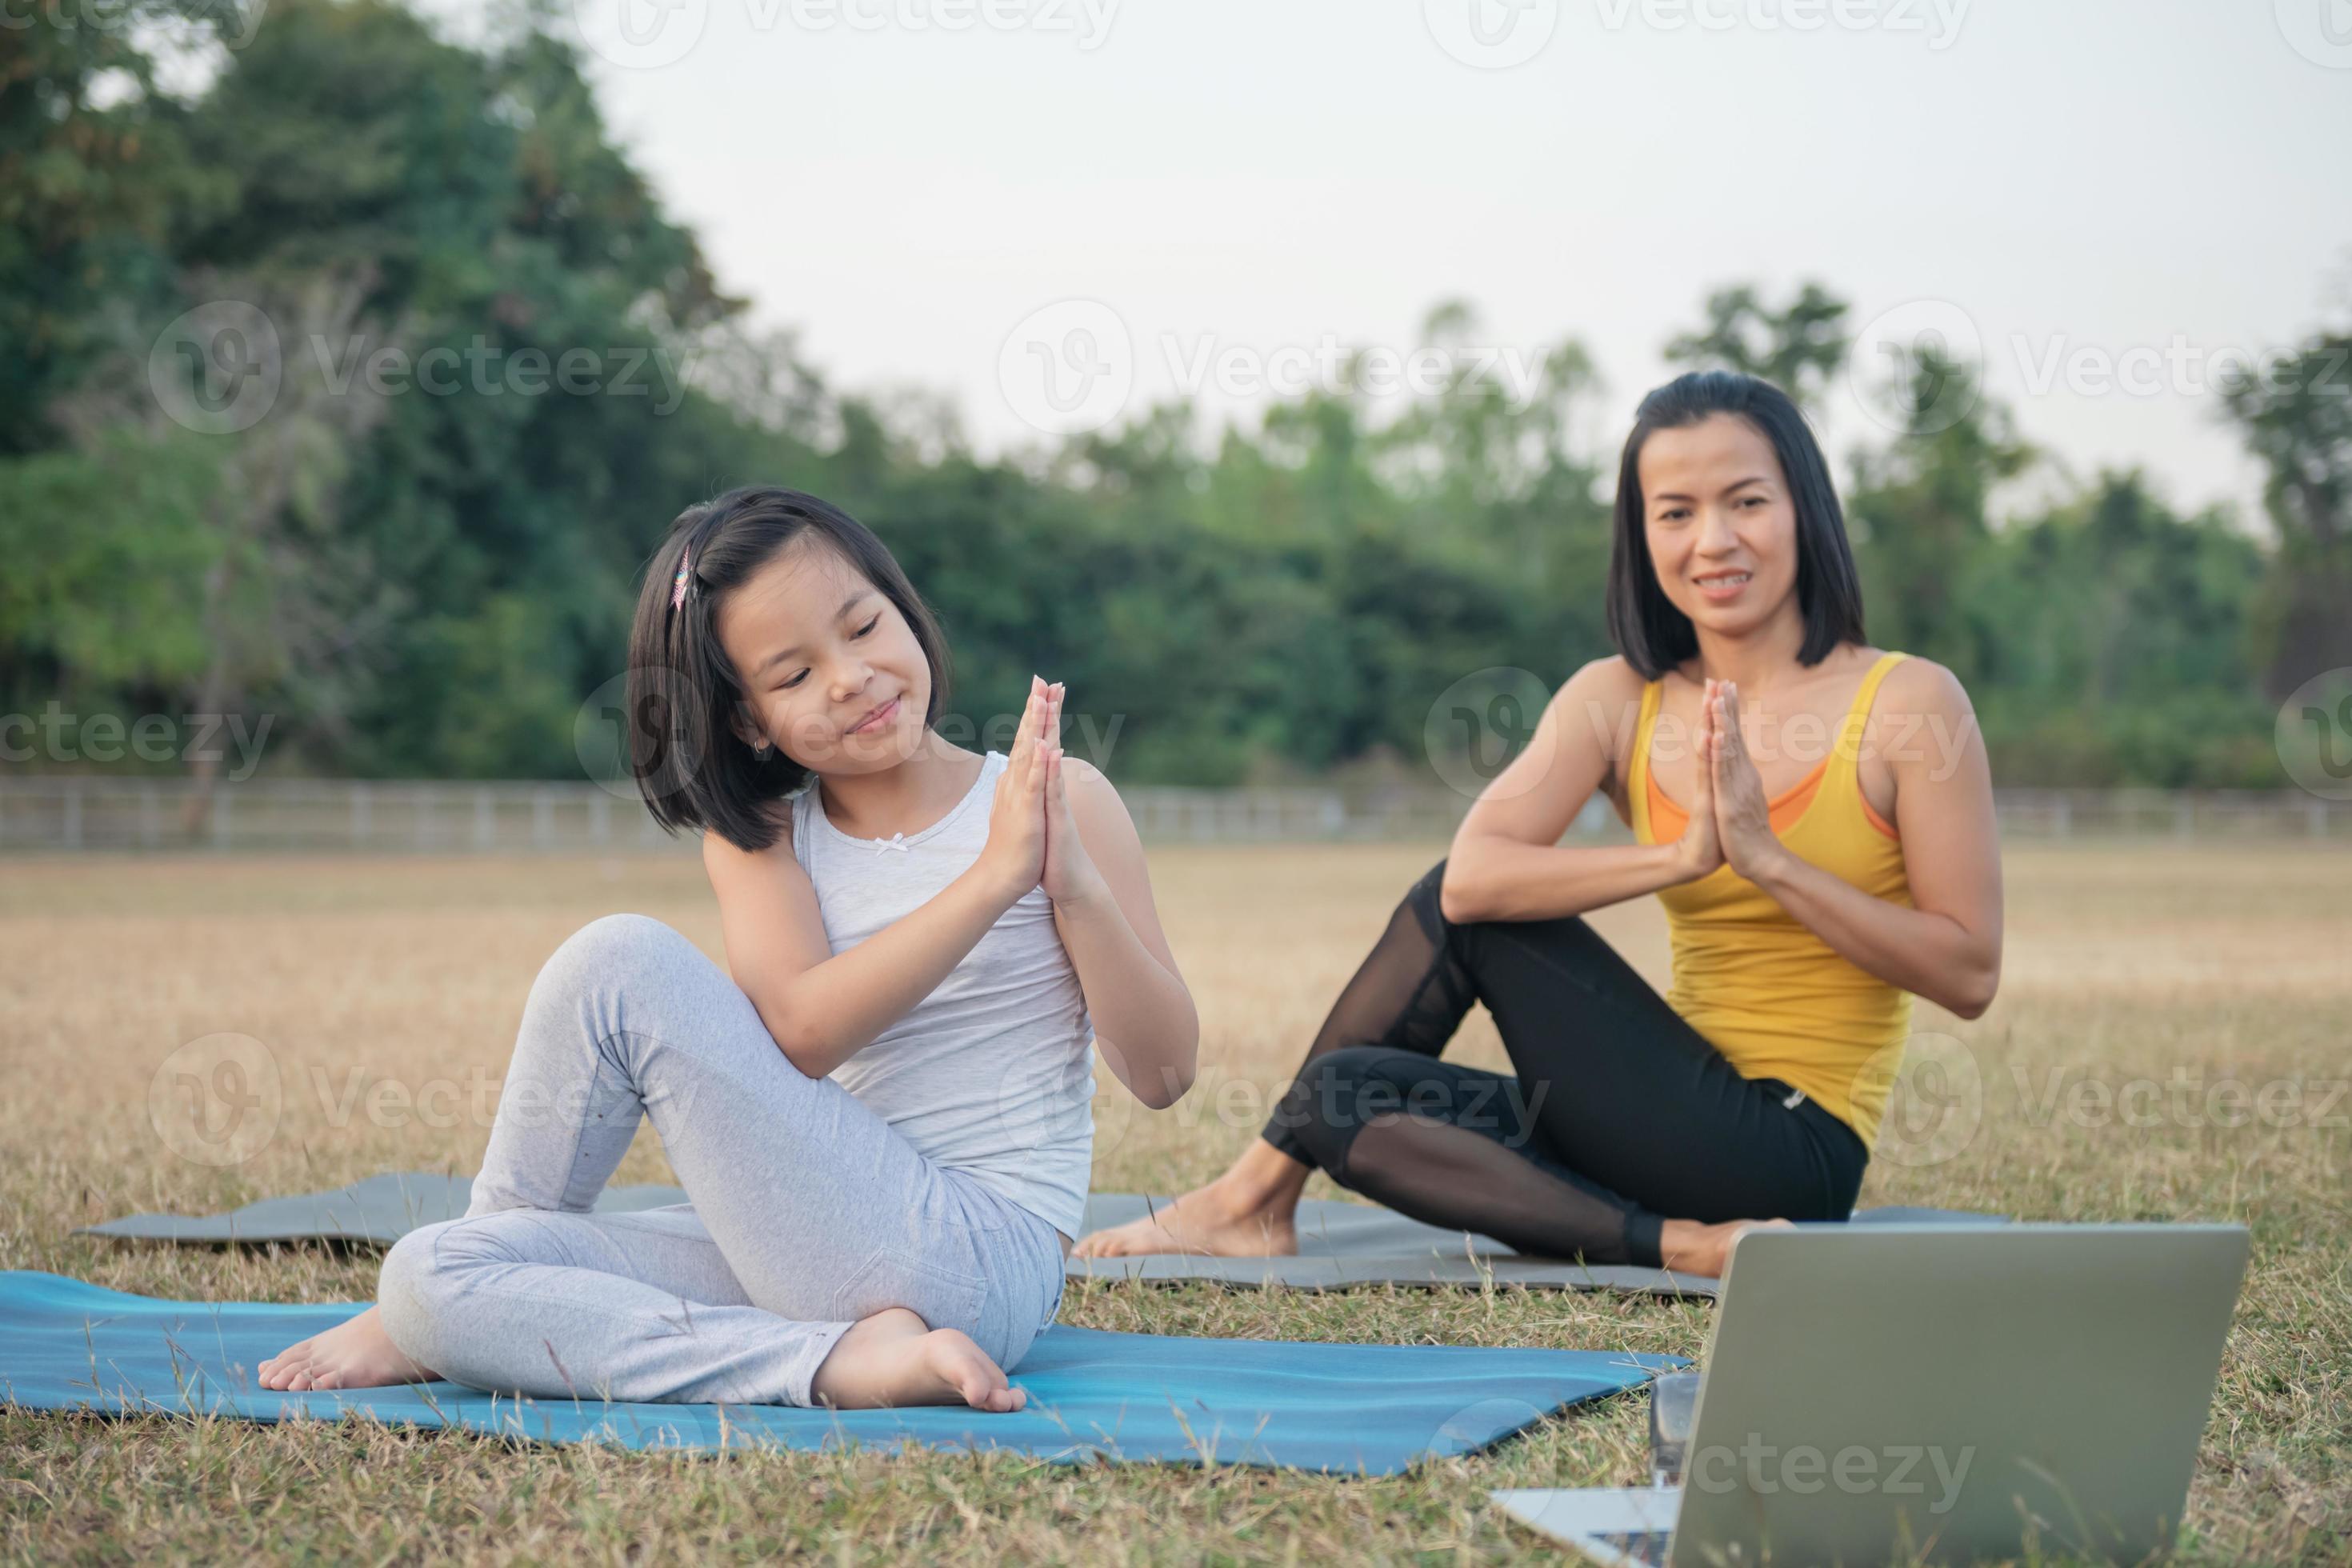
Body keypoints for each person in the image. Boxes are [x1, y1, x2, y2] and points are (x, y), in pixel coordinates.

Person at [258, 486, 1197, 1409]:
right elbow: (804, 1027)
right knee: (428, 1273)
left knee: (626, 958)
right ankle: (826, 1362)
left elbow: (1162, 1073)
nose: (850, 678)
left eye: (865, 627)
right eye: (793, 676)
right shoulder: (766, 834)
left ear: (905, 610)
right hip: (806, 1242)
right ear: (750, 720)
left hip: (979, 1262)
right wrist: (994, 877)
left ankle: (791, 1345)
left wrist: (1062, 880)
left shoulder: (1058, 799)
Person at [1074, 370, 2002, 1279]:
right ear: (1642, 536)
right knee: (1337, 1094)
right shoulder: (1619, 699)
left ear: (1804, 508)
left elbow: (1968, 972)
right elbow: (1474, 879)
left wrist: (1769, 862)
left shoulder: (1908, 703)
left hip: (1790, 1149)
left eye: (1746, 501)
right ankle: (1672, 1241)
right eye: (1675, 512)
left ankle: (1249, 1198)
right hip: (1654, 1118)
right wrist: (1679, 856)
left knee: (1467, 915)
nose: (1713, 540)